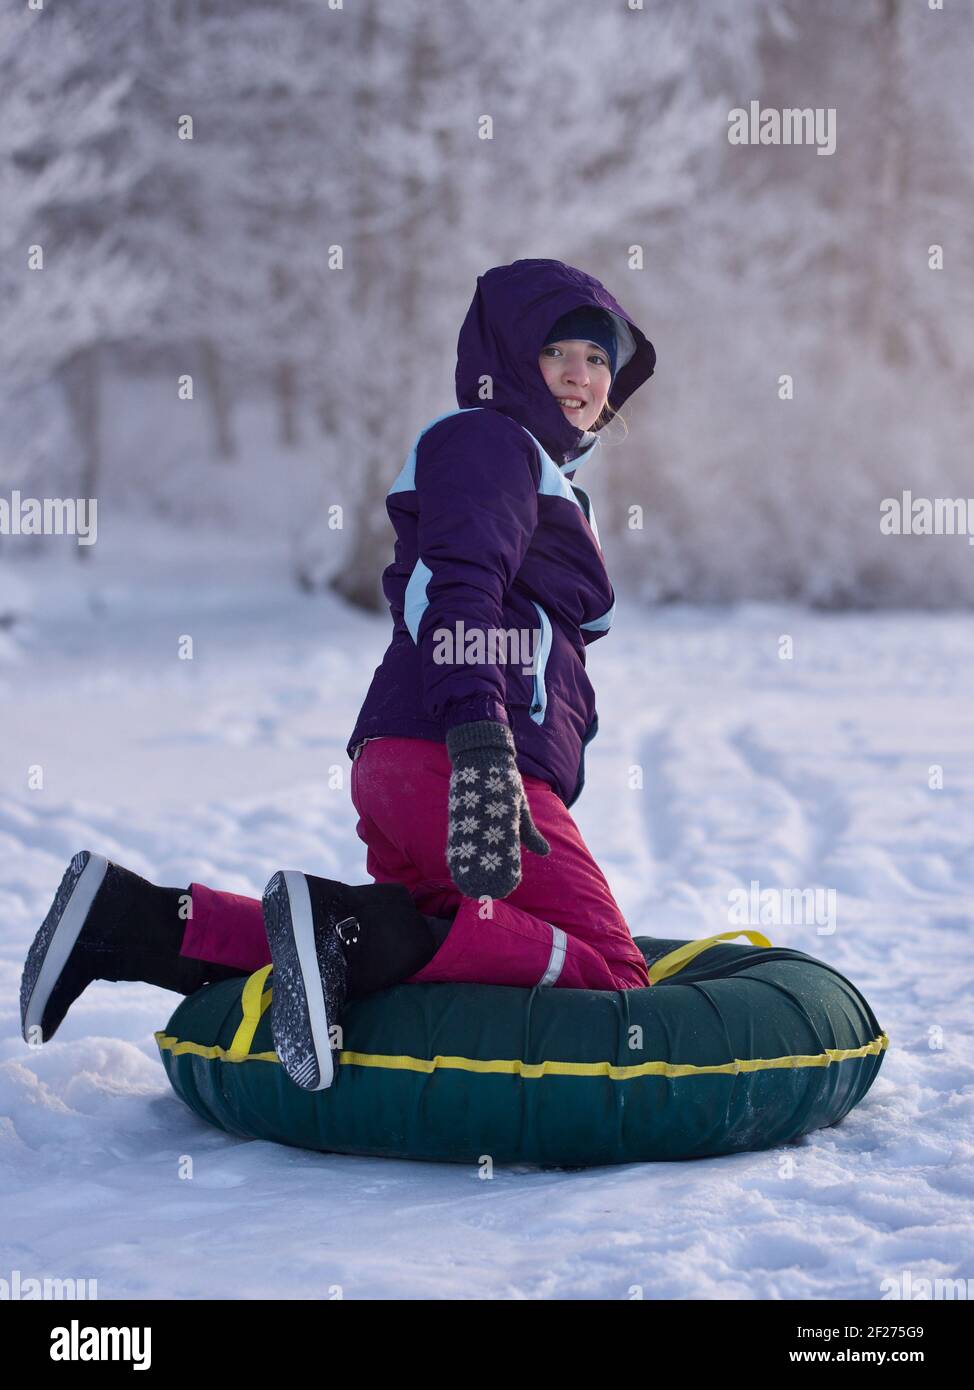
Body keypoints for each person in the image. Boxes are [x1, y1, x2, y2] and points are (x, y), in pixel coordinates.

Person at [19, 258, 657, 1095]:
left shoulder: (540, 475)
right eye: (558, 353)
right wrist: (481, 741)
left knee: (431, 933)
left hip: (417, 756)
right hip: (457, 750)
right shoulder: (489, 440)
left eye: (599, 360)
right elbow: (460, 585)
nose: (581, 376)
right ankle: (341, 924)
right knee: (613, 973)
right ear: (505, 361)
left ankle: (129, 922)